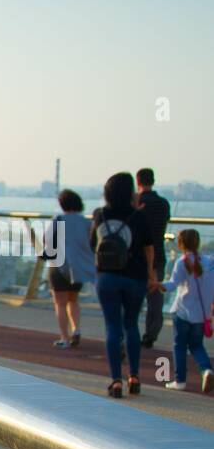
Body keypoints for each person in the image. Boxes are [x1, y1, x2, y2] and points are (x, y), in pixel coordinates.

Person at [91, 171, 159, 398]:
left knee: (112, 327)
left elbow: (93, 244)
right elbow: (149, 248)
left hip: (107, 277)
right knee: (131, 325)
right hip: (135, 277)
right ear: (131, 192)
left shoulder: (100, 215)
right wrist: (151, 274)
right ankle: (135, 376)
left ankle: (116, 380)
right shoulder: (138, 216)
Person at [160, 229, 214, 393]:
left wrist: (158, 285)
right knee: (197, 345)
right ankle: (207, 370)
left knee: (179, 346)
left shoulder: (181, 262)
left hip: (182, 311)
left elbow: (172, 285)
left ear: (181, 244)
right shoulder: (209, 262)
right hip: (201, 315)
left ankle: (180, 381)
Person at [43, 189, 94, 348]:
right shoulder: (87, 222)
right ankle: (76, 329)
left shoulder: (58, 220)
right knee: (73, 299)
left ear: (62, 204)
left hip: (59, 265)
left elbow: (47, 240)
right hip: (79, 267)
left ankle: (64, 338)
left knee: (60, 303)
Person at [137, 168, 172, 347]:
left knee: (132, 296)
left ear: (138, 181)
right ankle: (151, 334)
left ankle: (129, 333)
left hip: (137, 256)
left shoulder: (137, 202)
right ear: (153, 181)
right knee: (155, 298)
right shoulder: (163, 204)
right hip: (158, 254)